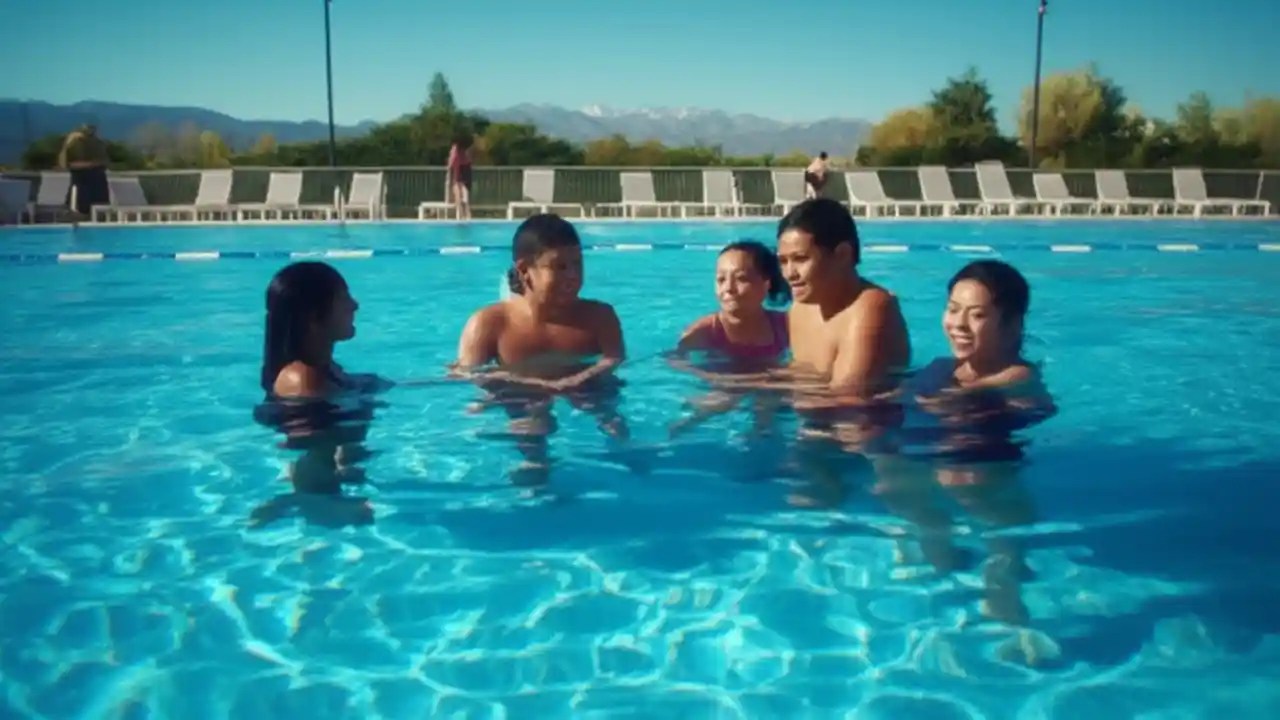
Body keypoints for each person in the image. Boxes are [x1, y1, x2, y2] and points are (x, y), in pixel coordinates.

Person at [903, 259, 1056, 626]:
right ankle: (943, 560)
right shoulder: (943, 368)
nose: (958, 323)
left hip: (991, 453)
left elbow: (965, 399)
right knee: (893, 475)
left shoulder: (1016, 375)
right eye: (953, 309)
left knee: (976, 492)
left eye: (976, 315)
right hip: (946, 450)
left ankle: (1005, 585)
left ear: (1011, 325)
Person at [452, 213, 630, 487]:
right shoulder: (489, 324)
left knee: (613, 421)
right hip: (522, 393)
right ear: (524, 271)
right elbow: (467, 374)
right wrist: (531, 385)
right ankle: (534, 465)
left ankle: (626, 456)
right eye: (559, 267)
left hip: (587, 386)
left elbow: (614, 359)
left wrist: (578, 380)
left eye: (577, 264)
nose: (573, 275)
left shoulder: (599, 316)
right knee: (531, 420)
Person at [773, 197, 912, 506]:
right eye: (783, 261)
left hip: (871, 439)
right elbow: (802, 373)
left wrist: (772, 391)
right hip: (819, 426)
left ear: (843, 255)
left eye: (800, 259)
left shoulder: (871, 306)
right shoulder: (801, 308)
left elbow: (849, 399)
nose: (789, 273)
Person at [249, 261, 385, 528]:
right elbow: (314, 447)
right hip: (317, 493)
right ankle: (301, 504)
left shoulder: (327, 371)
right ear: (314, 317)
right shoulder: (302, 380)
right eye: (344, 298)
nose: (355, 305)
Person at [668, 240, 791, 437]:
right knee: (705, 410)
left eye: (741, 279)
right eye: (720, 280)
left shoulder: (783, 325)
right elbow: (674, 361)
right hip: (725, 389)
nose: (728, 288)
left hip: (772, 387)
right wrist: (713, 377)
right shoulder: (704, 330)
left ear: (766, 284)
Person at [58, 124, 110, 216]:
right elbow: (68, 163)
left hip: (89, 183)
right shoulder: (78, 143)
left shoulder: (76, 142)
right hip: (87, 183)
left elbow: (66, 163)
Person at [447, 133, 474, 221]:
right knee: (464, 190)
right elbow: (469, 160)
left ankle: (461, 213)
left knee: (457, 188)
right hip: (466, 168)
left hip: (459, 167)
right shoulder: (465, 149)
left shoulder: (456, 147)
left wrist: (449, 167)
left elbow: (453, 158)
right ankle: (467, 213)